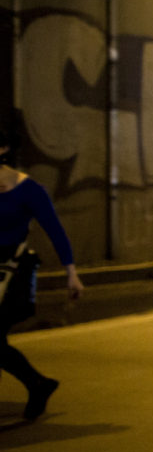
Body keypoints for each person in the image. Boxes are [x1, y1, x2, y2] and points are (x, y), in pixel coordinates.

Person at [0, 130, 85, 420]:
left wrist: (71, 273)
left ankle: (37, 384)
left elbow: (55, 231)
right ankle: (38, 384)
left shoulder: (30, 190)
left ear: (3, 149)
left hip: (13, 271)